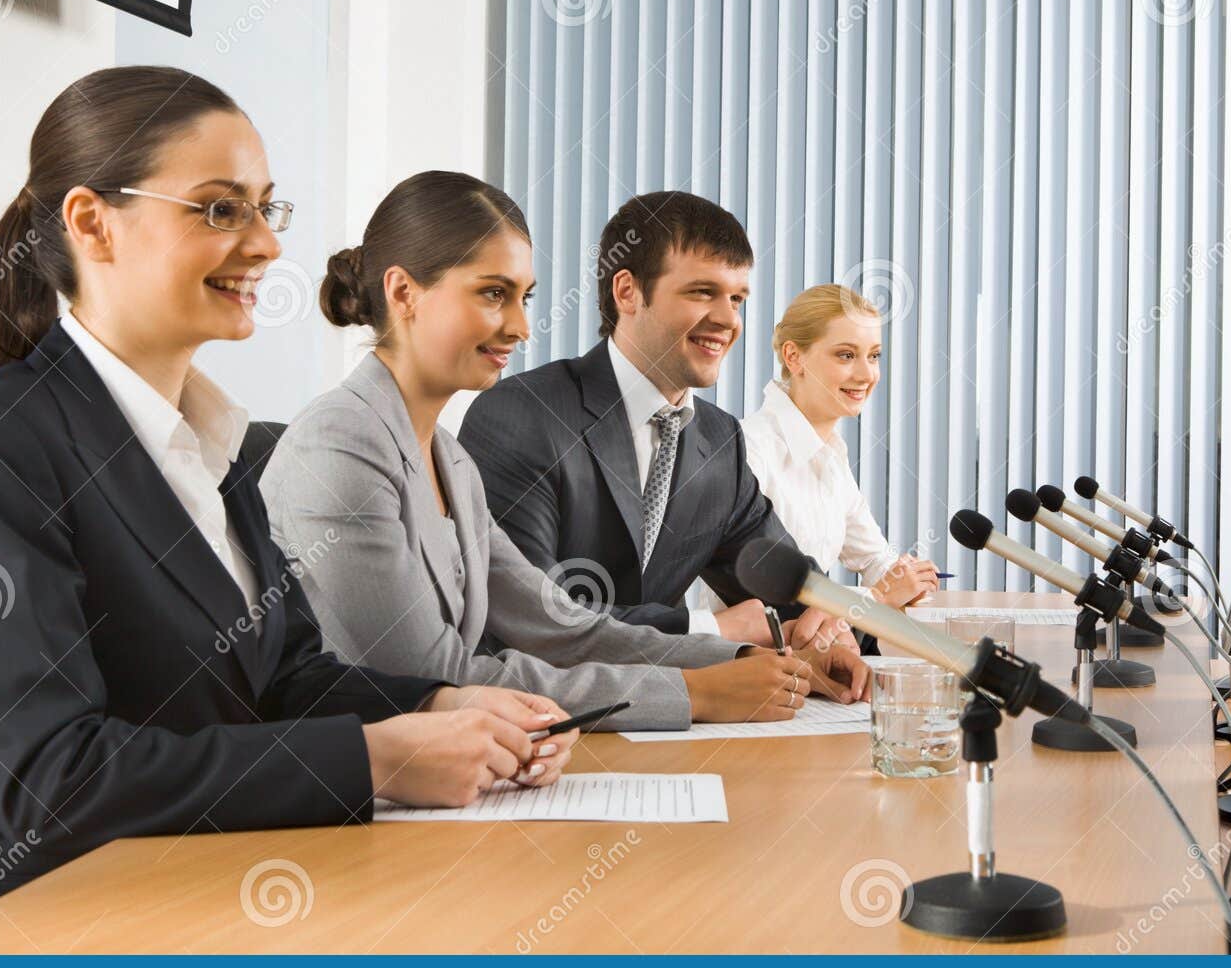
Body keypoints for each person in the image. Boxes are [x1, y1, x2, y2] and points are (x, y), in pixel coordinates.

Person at [0, 68, 577, 923]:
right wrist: (372, 758)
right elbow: (52, 779)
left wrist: (438, 703)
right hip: (27, 922)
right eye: (221, 208)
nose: (267, 243)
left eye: (268, 209)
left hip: (195, 890)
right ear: (94, 224)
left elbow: (284, 678)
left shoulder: (216, 442)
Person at [262, 171, 861, 731]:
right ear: (404, 293)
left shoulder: (449, 457)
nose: (523, 327)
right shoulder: (341, 442)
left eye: (525, 296)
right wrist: (693, 693)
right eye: (494, 294)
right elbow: (431, 677)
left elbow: (562, 628)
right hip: (351, 801)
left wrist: (741, 659)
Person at [458, 191, 862, 661]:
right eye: (702, 292)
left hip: (669, 718)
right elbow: (534, 619)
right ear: (627, 291)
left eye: (737, 298)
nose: (728, 319)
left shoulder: (719, 441)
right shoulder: (521, 413)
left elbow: (788, 585)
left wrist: (825, 630)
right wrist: (708, 627)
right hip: (537, 715)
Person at [728, 284, 940, 614]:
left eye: (874, 356)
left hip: (817, 649)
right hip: (761, 654)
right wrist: (880, 596)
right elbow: (768, 601)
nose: (867, 374)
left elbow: (872, 557)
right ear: (793, 357)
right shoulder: (749, 450)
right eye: (846, 355)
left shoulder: (830, 453)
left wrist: (907, 578)